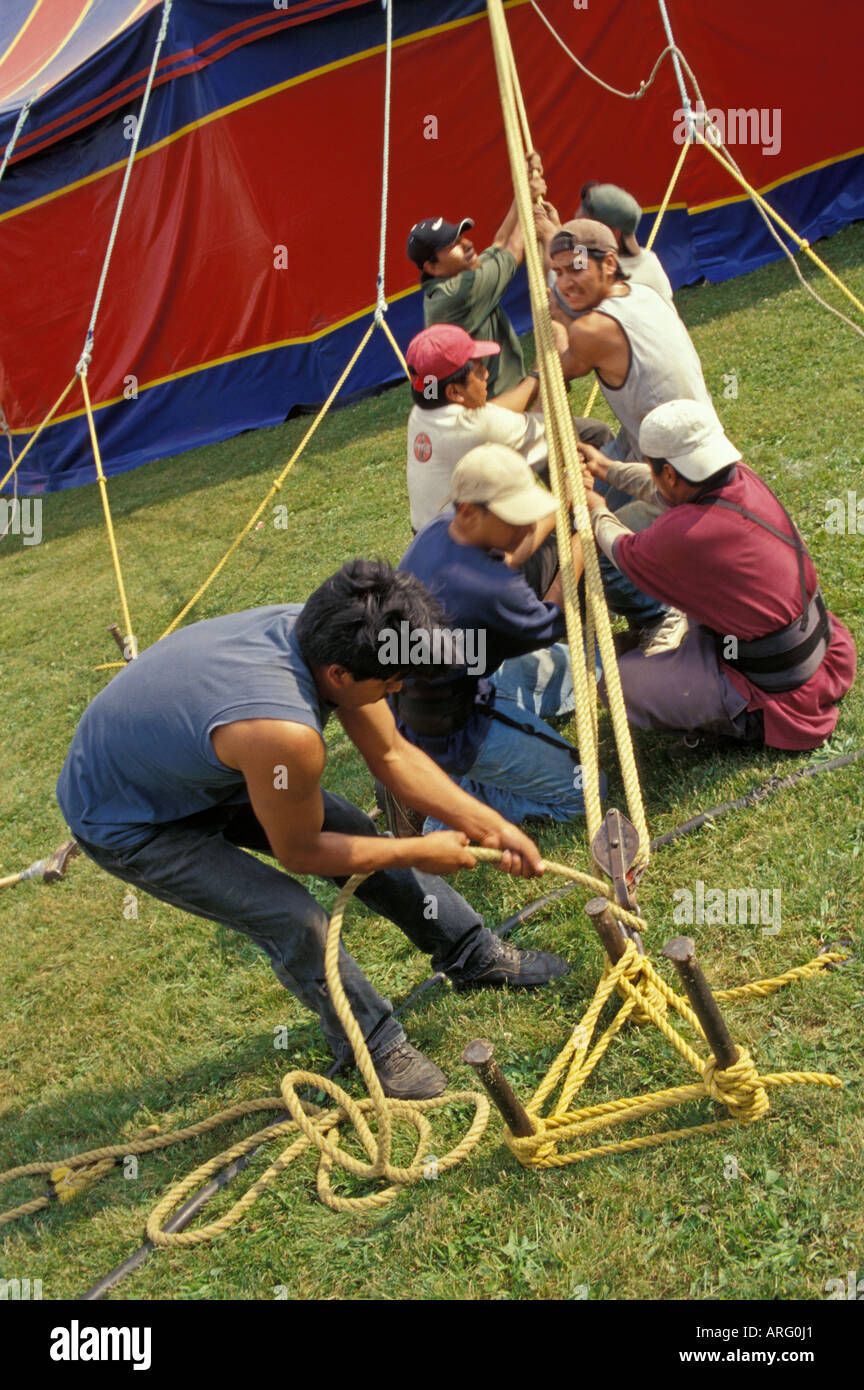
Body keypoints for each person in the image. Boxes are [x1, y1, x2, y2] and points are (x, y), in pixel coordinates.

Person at [56, 562, 570, 1103]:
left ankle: (470, 951)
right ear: (339, 679)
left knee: (349, 828)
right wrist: (419, 848)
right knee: (291, 915)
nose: (398, 689)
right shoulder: (284, 732)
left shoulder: (329, 636)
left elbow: (393, 755)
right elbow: (299, 852)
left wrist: (489, 826)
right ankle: (370, 1042)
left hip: (197, 765)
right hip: (131, 818)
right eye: (391, 682)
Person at [579, 399, 856, 752]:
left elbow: (623, 552)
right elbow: (664, 492)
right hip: (818, 649)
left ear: (668, 473)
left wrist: (597, 509)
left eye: (651, 468)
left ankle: (746, 718)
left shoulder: (685, 533)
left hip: (780, 691)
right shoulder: (741, 478)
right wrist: (608, 469)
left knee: (618, 684)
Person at [401, 323, 676, 650]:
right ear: (455, 393)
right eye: (478, 370)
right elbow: (549, 425)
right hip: (488, 560)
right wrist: (552, 365)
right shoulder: (473, 427)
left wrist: (536, 375)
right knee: (597, 535)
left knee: (592, 436)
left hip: (450, 551)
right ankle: (655, 616)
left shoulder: (423, 412)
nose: (487, 375)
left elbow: (498, 412)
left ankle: (602, 595)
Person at [394, 444, 603, 832]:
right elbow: (552, 618)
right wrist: (581, 534)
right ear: (471, 511)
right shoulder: (483, 590)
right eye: (515, 516)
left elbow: (508, 558)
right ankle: (458, 805)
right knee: (586, 791)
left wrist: (563, 504)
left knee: (596, 670)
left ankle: (443, 781)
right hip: (454, 726)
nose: (526, 525)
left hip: (434, 691)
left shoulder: (440, 530)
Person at [542, 218, 718, 474]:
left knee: (581, 512)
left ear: (610, 263)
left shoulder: (591, 330)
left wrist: (553, 319)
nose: (566, 283)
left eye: (576, 269)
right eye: (558, 273)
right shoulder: (643, 291)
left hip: (679, 475)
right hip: (702, 443)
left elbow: (556, 369)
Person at [550, 182, 676, 312]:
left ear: (613, 233)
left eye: (584, 228)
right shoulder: (648, 259)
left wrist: (550, 237)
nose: (577, 229)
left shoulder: (618, 277)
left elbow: (569, 307)